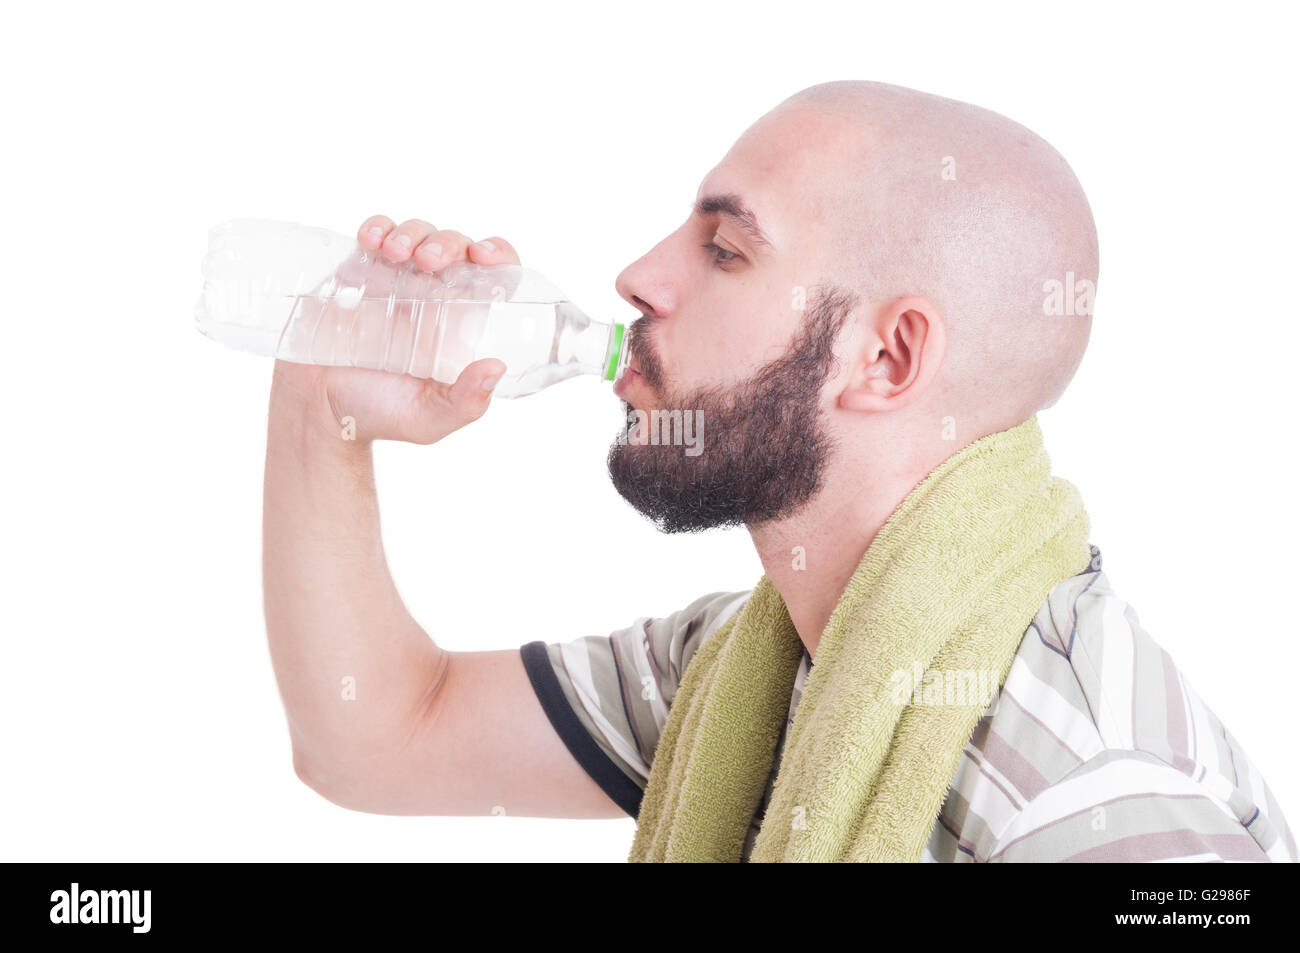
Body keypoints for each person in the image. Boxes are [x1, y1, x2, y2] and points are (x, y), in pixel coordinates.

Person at [262, 80, 1295, 862]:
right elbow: (378, 733)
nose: (636, 277)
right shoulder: (745, 676)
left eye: (723, 249)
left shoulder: (1097, 802)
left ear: (886, 359)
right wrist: (325, 407)